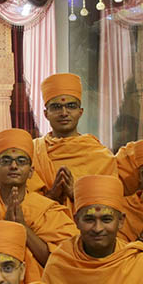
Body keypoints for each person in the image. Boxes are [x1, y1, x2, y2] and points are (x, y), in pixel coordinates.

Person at [0, 128, 77, 281]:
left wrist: (23, 228)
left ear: (30, 172)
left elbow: (60, 263)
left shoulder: (50, 210)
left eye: (21, 161)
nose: (14, 166)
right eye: (6, 161)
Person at [31, 73, 116, 205]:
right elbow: (24, 203)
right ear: (46, 114)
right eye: (56, 107)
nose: (64, 113)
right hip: (43, 224)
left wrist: (76, 195)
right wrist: (51, 196)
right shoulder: (32, 153)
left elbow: (110, 205)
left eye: (71, 106)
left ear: (80, 112)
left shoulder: (101, 157)